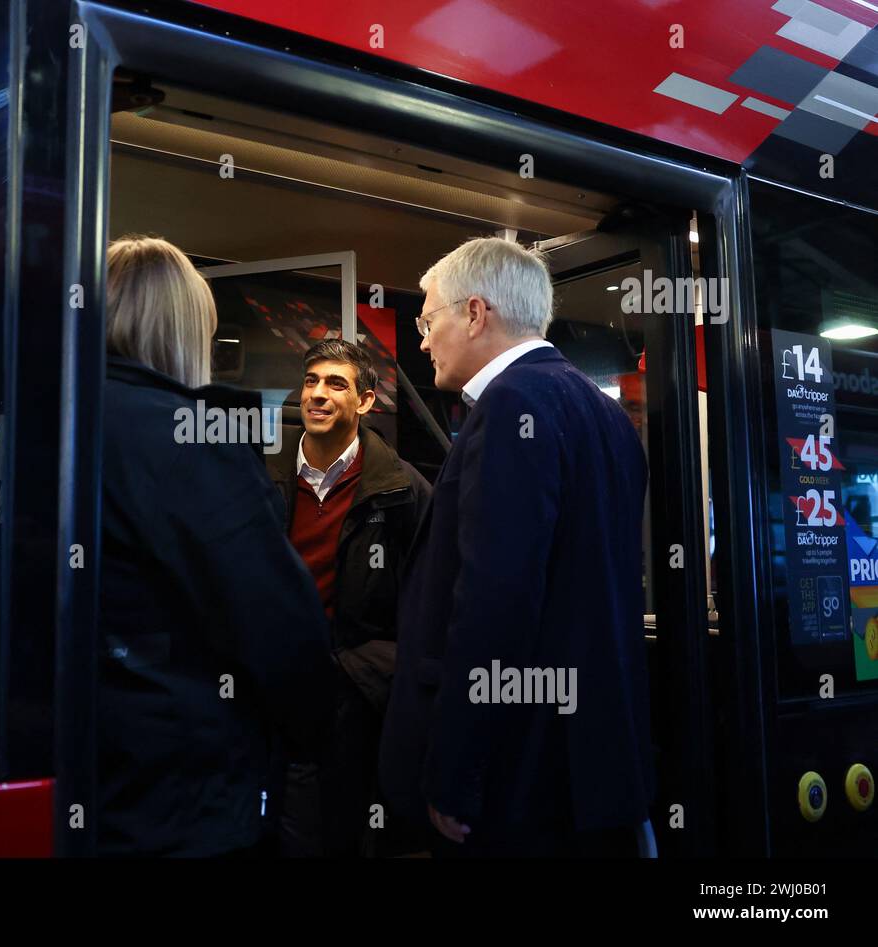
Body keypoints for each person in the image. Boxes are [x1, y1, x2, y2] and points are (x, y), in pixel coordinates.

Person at [380, 237, 652, 857]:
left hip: (519, 777)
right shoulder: (607, 414)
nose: (422, 341)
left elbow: (496, 600)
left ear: (475, 314)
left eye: (427, 320)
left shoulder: (511, 404)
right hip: (592, 766)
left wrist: (457, 770)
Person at [98, 235, 332, 857]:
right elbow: (281, 631)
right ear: (184, 333)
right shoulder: (194, 437)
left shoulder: (39, 422)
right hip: (179, 794)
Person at [265, 339, 430, 856]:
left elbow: (430, 598)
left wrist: (382, 668)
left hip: (359, 695)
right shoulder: (261, 476)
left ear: (365, 400)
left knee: (351, 831)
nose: (317, 394)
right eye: (311, 381)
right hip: (277, 687)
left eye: (336, 384)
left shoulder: (402, 488)